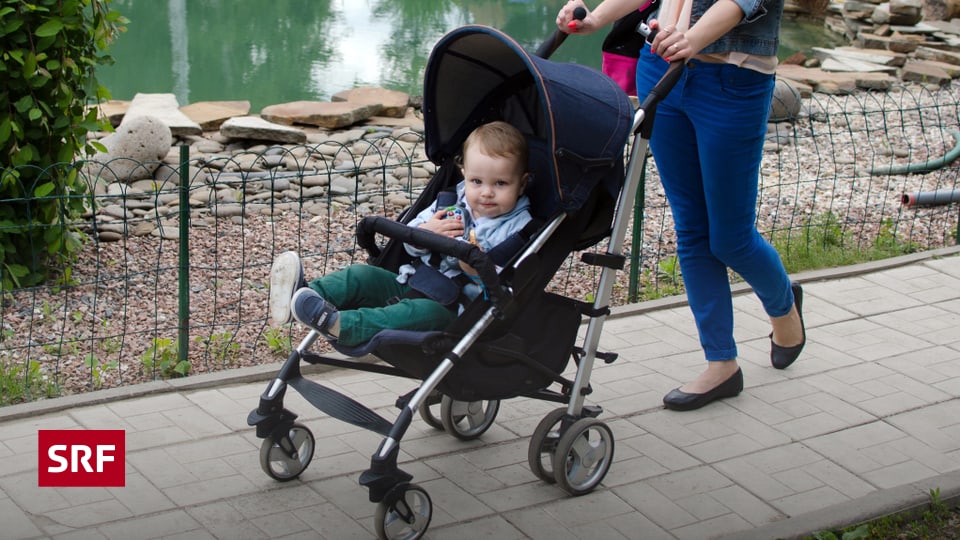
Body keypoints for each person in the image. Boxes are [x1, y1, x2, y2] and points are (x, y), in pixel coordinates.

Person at [557, 0, 806, 411]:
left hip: (733, 81)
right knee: (691, 231)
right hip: (663, 71)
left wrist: (690, 37)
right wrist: (597, 18)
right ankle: (721, 363)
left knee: (731, 239)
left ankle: (784, 309)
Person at [268, 121, 533, 347]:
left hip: (453, 309)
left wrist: (476, 268)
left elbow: (508, 288)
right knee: (360, 275)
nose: (486, 192)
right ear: (464, 174)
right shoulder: (452, 201)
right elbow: (411, 242)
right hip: (410, 281)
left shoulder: (519, 228)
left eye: (500, 183)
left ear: (521, 184)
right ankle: (301, 298)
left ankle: (340, 325)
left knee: (411, 313)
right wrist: (427, 232)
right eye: (477, 181)